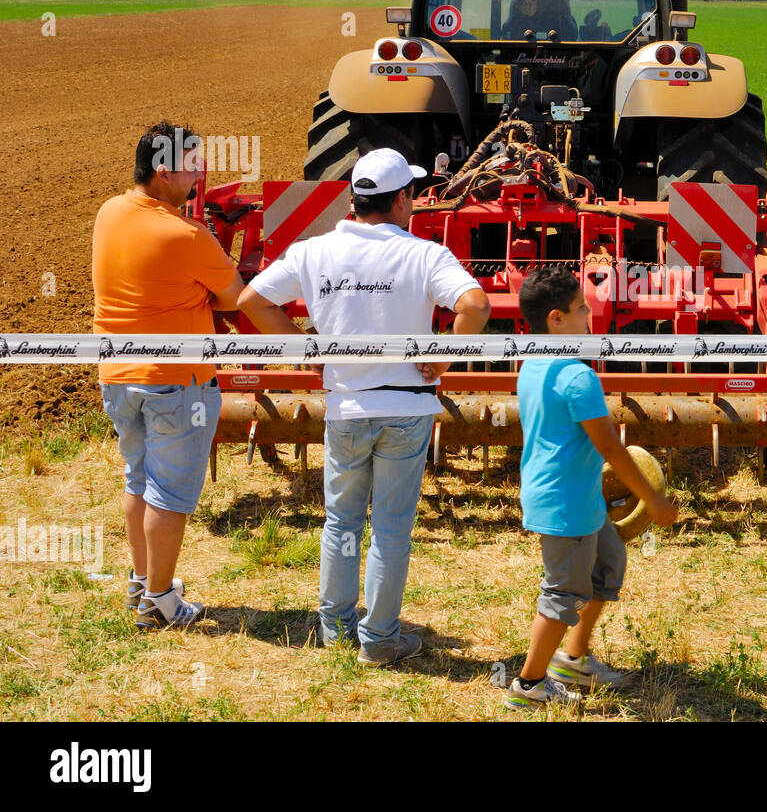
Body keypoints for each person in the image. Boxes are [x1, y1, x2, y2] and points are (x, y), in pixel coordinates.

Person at [238, 148, 491, 666]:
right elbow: (476, 305)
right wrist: (443, 359)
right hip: (406, 409)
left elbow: (251, 302)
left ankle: (335, 628)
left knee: (342, 522)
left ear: (356, 199)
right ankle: (379, 639)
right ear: (402, 200)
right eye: (413, 195)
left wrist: (305, 352)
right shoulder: (424, 255)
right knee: (392, 526)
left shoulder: (314, 252)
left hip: (346, 407)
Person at [505, 265, 677, 708]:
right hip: (566, 504)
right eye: (582, 308)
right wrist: (653, 499)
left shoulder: (532, 363)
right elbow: (613, 450)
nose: (590, 314)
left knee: (607, 564)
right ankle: (528, 686)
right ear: (556, 319)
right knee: (562, 595)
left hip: (574, 496)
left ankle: (573, 659)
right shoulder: (577, 376)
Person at [94, 121, 241, 629]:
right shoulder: (188, 234)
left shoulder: (109, 212)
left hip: (117, 373)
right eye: (192, 163)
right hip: (177, 381)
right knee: (170, 493)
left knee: (138, 480)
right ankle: (160, 601)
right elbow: (233, 296)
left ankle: (142, 583)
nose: (200, 172)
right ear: (163, 170)